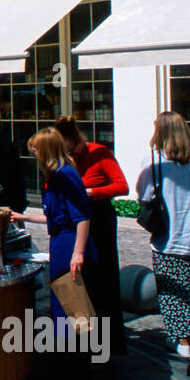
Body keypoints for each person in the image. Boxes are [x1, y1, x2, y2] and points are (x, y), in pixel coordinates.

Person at [136, 111, 190, 380]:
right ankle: (185, 344)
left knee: (176, 299)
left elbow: (144, 195)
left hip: (169, 240)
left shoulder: (155, 161)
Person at [11, 128, 99, 380]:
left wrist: (77, 253)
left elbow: (82, 216)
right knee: (66, 315)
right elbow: (55, 217)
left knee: (73, 315)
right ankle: (71, 374)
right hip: (61, 245)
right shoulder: (59, 175)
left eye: (36, 151)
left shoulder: (65, 177)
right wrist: (24, 218)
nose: (34, 156)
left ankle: (75, 379)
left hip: (68, 249)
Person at [55, 116, 128, 357]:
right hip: (78, 219)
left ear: (73, 140)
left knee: (103, 278)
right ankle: (85, 340)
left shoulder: (99, 153)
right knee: (82, 281)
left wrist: (92, 192)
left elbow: (122, 187)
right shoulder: (65, 160)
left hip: (99, 219)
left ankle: (109, 341)